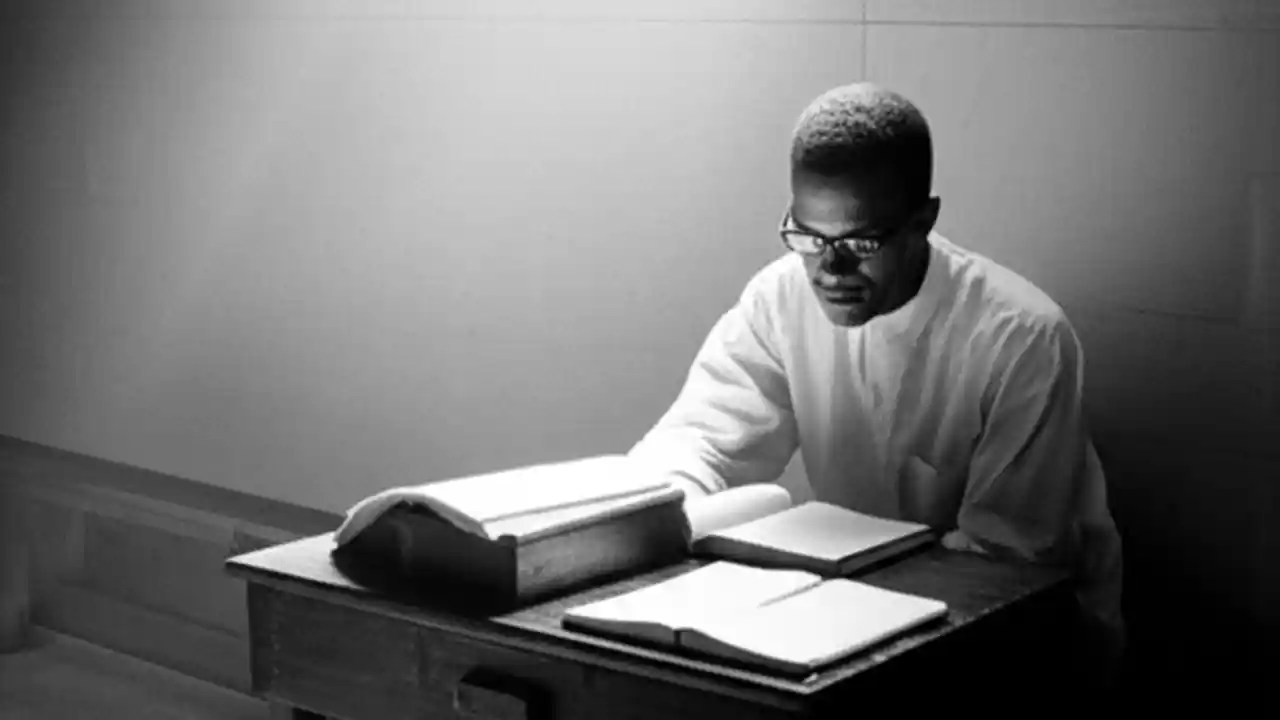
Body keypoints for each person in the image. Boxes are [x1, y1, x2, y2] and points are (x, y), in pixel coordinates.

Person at [627, 82, 1125, 685]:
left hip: (1023, 652)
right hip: (855, 618)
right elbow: (703, 439)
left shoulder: (1021, 337)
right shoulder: (779, 297)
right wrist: (646, 513)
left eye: (860, 243)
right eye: (808, 237)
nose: (829, 270)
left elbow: (1003, 568)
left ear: (924, 221)